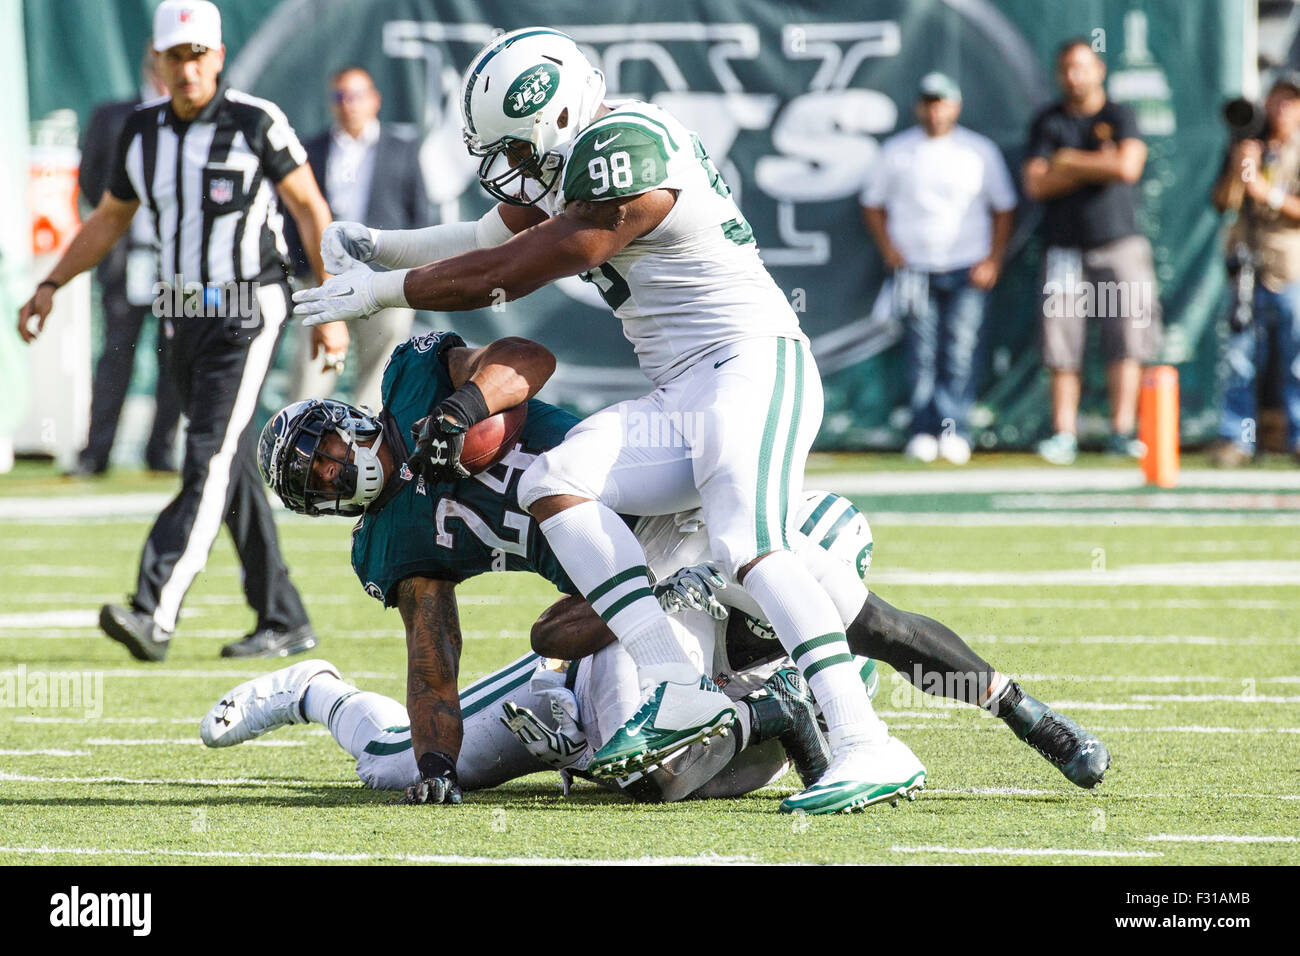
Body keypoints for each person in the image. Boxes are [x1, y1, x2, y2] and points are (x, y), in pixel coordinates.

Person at [293, 27, 919, 816]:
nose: (513, 168)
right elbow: (488, 236)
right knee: (559, 481)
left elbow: (507, 274)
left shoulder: (626, 146)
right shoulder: (574, 160)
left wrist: (386, 291)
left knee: (746, 546)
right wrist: (378, 247)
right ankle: (675, 684)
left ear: (554, 117)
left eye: (517, 148)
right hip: (686, 388)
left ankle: (866, 741)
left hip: (752, 361)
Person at [214, 328, 1109, 802]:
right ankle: (312, 692)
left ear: (347, 415)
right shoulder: (389, 542)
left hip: (675, 533)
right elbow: (431, 654)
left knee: (828, 604)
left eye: (328, 447)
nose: (338, 467)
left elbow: (526, 358)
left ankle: (1020, 712)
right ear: (326, 505)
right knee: (396, 763)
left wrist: (463, 405)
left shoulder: (419, 383)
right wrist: (441, 770)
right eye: (320, 478)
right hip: (614, 607)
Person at [16, 0, 348, 660]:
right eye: (178, 56)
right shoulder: (141, 134)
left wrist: (329, 305)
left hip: (249, 310)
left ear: (219, 58)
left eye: (200, 55)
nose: (190, 69)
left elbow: (310, 207)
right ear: (158, 62)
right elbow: (110, 219)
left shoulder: (256, 122)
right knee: (229, 470)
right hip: (180, 316)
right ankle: (283, 617)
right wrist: (52, 283)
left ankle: (154, 609)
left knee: (206, 459)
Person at [861, 72, 1016, 465]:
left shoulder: (978, 151)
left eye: (943, 101)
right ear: (919, 106)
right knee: (921, 352)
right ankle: (923, 430)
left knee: (961, 350)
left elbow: (1003, 207)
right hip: (913, 269)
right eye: (929, 101)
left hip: (967, 267)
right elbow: (873, 203)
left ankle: (954, 428)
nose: (935, 109)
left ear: (956, 106)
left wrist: (993, 258)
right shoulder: (897, 151)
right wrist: (889, 249)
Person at [1024, 38, 1162, 465]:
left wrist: (1068, 161)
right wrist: (1095, 164)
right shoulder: (1047, 121)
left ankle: (1122, 431)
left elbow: (1126, 167)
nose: (1074, 76)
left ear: (1099, 69)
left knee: (1127, 338)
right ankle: (1064, 433)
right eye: (1066, 68)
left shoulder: (1120, 114)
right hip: (1064, 250)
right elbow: (1036, 184)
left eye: (1082, 67)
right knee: (1062, 343)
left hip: (1119, 244)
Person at [285, 67, 432, 410]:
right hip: (325, 279)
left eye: (356, 96)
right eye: (339, 96)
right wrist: (304, 270)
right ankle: (300, 447)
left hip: (384, 278)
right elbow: (297, 214)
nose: (347, 104)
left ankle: (370, 455)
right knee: (311, 376)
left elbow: (420, 217)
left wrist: (410, 274)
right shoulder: (313, 150)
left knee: (379, 379)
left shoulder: (402, 150)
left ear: (375, 100)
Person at [68, 45, 181, 477]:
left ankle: (161, 449)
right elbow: (92, 182)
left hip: (177, 261)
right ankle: (96, 452)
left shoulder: (192, 121)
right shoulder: (113, 116)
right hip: (125, 256)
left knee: (175, 355)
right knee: (117, 353)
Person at [1210, 75, 1300, 466]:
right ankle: (1239, 439)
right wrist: (1239, 169)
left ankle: (1297, 438)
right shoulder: (1248, 147)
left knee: (1297, 360)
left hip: (1290, 267)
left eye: (1290, 103)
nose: (1280, 111)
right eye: (1276, 102)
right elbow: (1221, 202)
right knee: (1240, 358)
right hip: (1247, 268)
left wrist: (1270, 195)